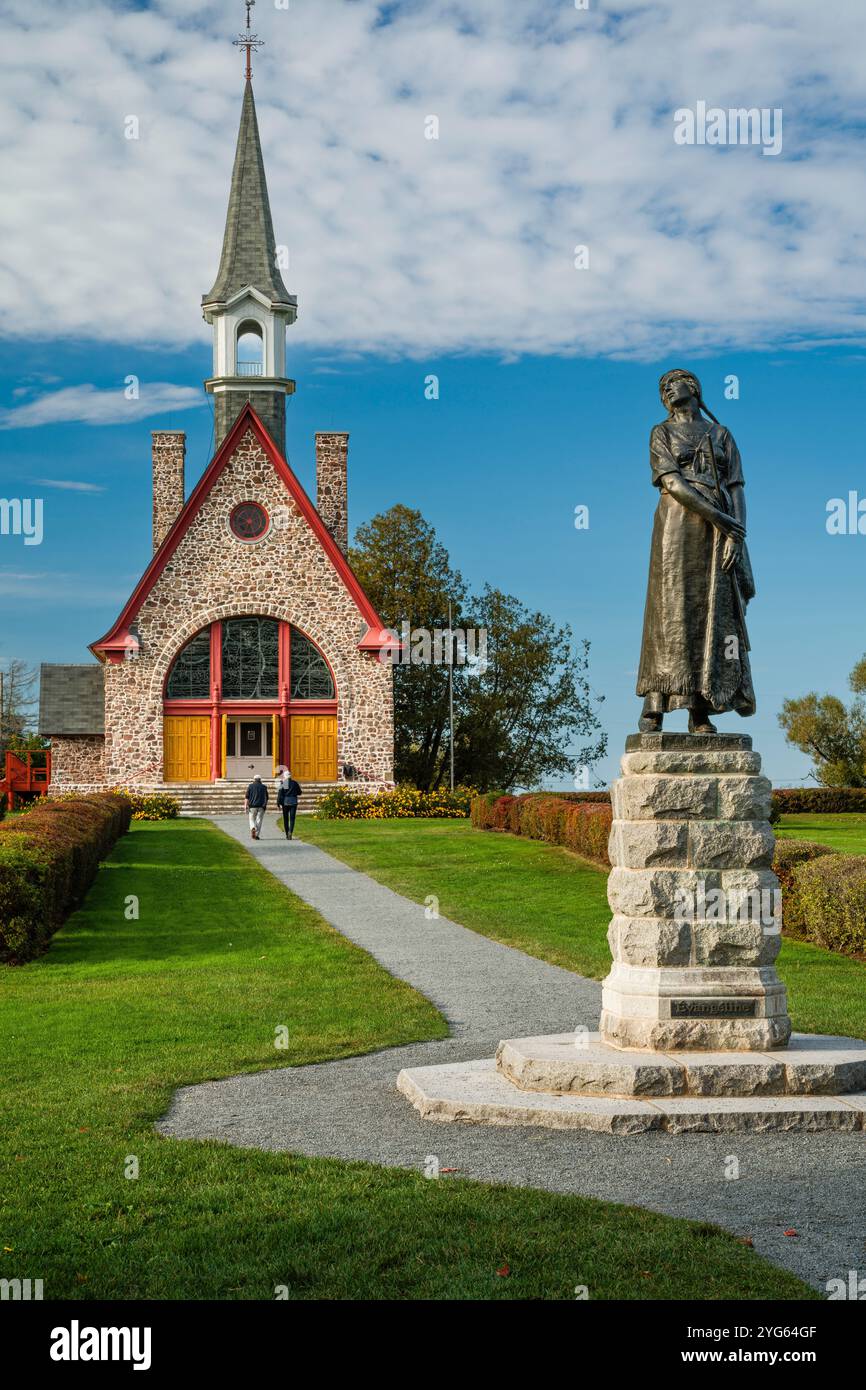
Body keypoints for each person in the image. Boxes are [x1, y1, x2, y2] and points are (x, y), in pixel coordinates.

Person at [636, 368, 756, 734]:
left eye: (673, 382)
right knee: (670, 609)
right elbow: (672, 482)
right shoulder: (662, 432)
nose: (667, 390)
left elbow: (736, 488)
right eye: (663, 388)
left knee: (713, 612)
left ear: (694, 387)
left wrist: (735, 534)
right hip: (677, 522)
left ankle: (700, 708)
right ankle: (655, 702)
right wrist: (720, 518)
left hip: (719, 528)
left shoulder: (722, 434)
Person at [276, 770, 302, 840]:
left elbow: (280, 794)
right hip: (293, 801)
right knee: (292, 818)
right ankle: (290, 831)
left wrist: (278, 803)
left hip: (285, 802)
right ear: (290, 776)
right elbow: (300, 792)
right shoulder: (295, 783)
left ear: (285, 776)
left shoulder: (284, 783)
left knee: (286, 819)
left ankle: (287, 833)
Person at [245, 774, 268, 839]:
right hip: (261, 806)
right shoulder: (264, 787)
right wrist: (265, 805)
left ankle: (253, 828)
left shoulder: (250, 786)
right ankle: (257, 835)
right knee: (259, 820)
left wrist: (245, 806)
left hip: (252, 806)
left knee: (251, 819)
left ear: (254, 779)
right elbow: (267, 797)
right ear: (260, 780)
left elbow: (247, 797)